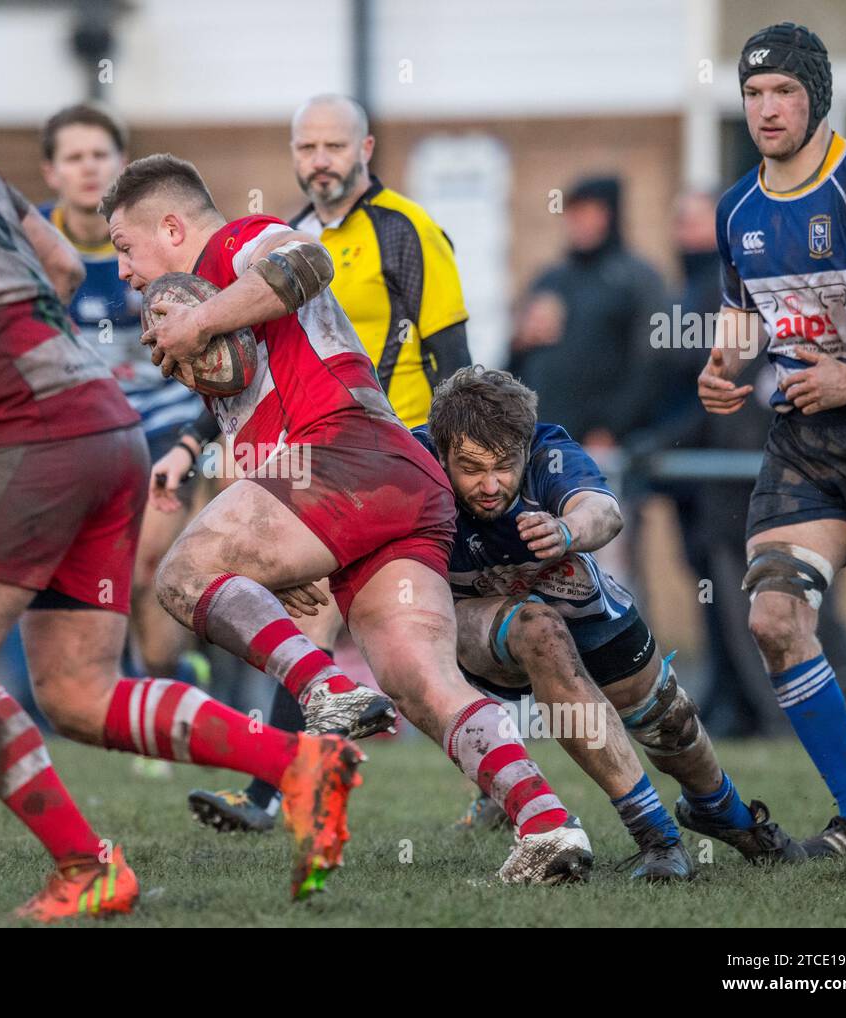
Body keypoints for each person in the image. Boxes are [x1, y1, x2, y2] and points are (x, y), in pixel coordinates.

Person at [0, 20, 365, 916]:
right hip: (106, 426)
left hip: (25, 441)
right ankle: (300, 762)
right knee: (79, 693)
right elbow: (55, 258)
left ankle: (89, 867)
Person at [111, 153, 593, 884]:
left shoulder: (241, 239)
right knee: (421, 684)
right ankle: (549, 825)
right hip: (392, 483)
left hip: (343, 454)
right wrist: (286, 561)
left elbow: (307, 260)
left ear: (171, 226)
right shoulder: (217, 307)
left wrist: (200, 320)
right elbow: (250, 440)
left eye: (123, 247)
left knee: (180, 575)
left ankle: (327, 689)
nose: (122, 270)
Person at [184, 93, 473, 832]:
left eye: (333, 147)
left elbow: (455, 361)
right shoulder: (284, 241)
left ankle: (505, 779)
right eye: (307, 148)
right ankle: (275, 793)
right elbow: (238, 361)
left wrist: (459, 462)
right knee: (309, 622)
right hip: (322, 461)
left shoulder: (406, 230)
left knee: (459, 635)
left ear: (366, 148)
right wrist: (191, 444)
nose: (319, 162)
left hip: (401, 454)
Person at [401, 367, 804, 877]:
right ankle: (656, 835)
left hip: (571, 595)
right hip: (471, 619)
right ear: (441, 451)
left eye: (504, 467)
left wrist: (566, 529)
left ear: (525, 447)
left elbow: (603, 511)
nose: (488, 485)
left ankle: (724, 813)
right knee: (538, 629)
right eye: (471, 468)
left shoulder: (549, 450)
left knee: (669, 724)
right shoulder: (413, 461)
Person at [699, 21, 846, 858]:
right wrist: (723, 366)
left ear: (815, 95)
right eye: (753, 93)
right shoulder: (737, 210)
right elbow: (743, 315)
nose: (767, 108)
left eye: (784, 90)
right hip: (805, 437)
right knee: (776, 617)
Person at [38, 103, 209, 687]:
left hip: (164, 423)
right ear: (51, 172)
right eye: (74, 157)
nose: (88, 168)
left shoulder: (160, 234)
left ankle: (164, 684)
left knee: (143, 569)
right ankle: (149, 689)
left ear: (120, 163)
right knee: (90, 578)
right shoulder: (30, 245)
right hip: (77, 433)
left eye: (100, 155)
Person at [509, 175, 667, 448]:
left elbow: (651, 365)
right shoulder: (551, 280)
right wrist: (522, 341)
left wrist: (611, 429)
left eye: (587, 213)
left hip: (603, 447)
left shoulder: (637, 279)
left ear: (609, 216)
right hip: (540, 440)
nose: (577, 222)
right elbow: (513, 365)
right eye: (572, 213)